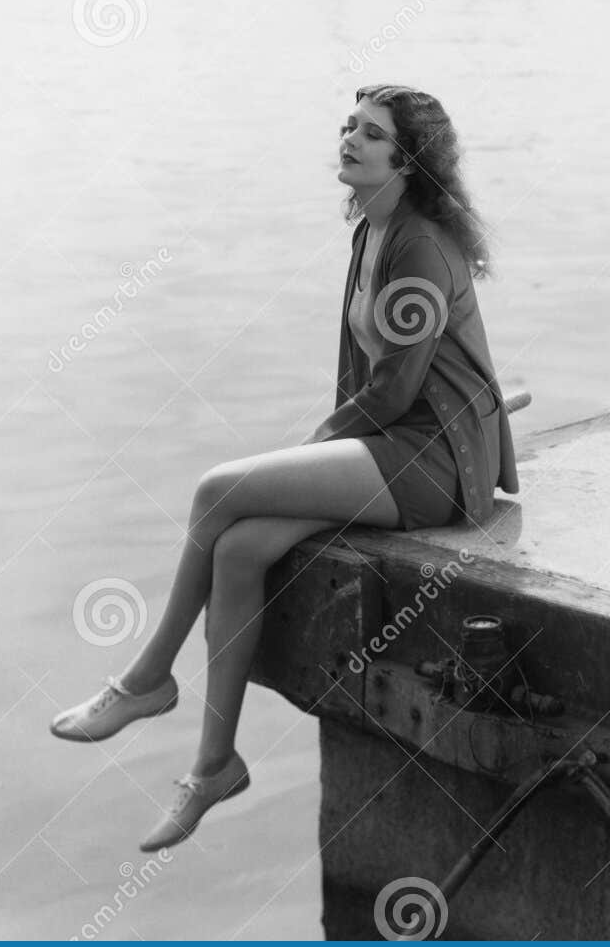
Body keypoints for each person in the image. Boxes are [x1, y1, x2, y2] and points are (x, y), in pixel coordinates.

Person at [49, 84, 518, 850]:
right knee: (237, 548)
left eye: (369, 134)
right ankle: (213, 768)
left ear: (408, 158)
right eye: (347, 126)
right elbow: (364, 375)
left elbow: (396, 390)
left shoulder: (421, 246)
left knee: (214, 489)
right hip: (393, 446)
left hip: (432, 461)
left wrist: (315, 447)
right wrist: (325, 451)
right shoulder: (371, 230)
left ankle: (145, 679)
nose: (348, 139)